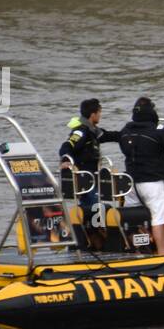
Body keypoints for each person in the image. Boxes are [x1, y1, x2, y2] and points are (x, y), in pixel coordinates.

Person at [119, 97, 164, 256]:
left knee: (133, 219)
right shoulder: (156, 129)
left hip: (131, 183)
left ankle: (136, 254)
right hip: (152, 184)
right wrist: (161, 129)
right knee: (157, 219)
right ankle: (162, 255)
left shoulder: (127, 130)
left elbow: (120, 142)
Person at [59, 98, 119, 249]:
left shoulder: (93, 131)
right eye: (99, 112)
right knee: (95, 210)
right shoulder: (81, 131)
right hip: (86, 181)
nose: (100, 115)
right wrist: (66, 159)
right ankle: (95, 243)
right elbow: (67, 146)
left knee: (93, 211)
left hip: (93, 178)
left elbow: (109, 136)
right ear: (93, 114)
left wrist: (127, 134)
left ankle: (93, 243)